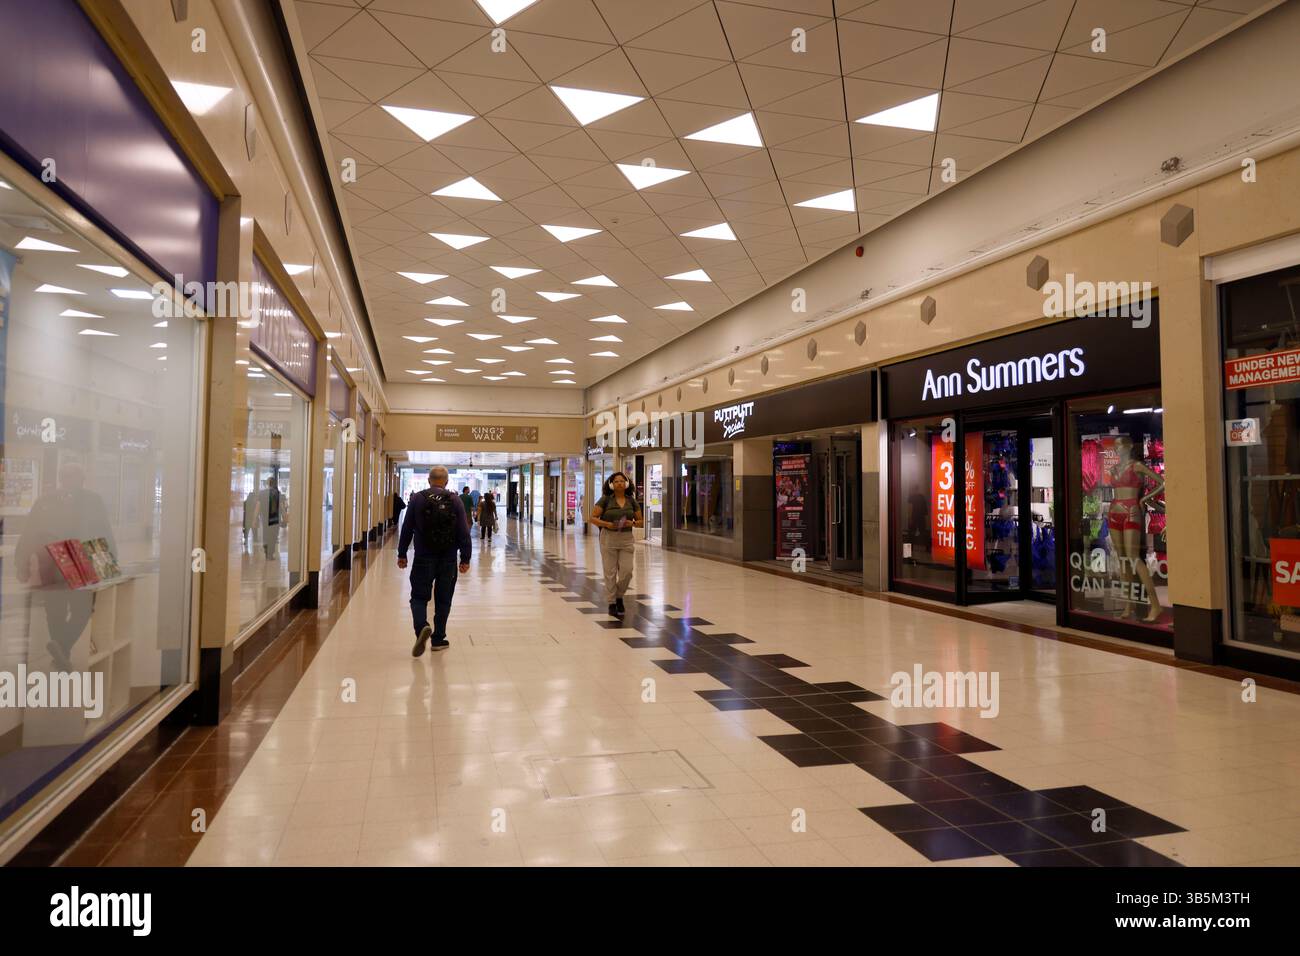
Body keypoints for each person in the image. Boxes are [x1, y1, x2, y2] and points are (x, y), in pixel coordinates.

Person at [14, 461, 116, 671]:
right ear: (63, 479)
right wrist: (21, 562)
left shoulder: (91, 501)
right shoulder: (47, 502)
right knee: (62, 610)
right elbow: (30, 532)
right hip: (58, 559)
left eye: (73, 477)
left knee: (78, 609)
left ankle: (61, 647)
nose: (70, 482)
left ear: (81, 480)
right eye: (67, 477)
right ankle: (62, 653)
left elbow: (103, 530)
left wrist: (109, 562)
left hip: (75, 558)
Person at [399, 465, 471, 656]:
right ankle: (438, 639)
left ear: (428, 480)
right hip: (448, 559)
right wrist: (465, 558)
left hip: (423, 556)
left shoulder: (417, 499)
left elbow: (407, 528)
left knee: (419, 597)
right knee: (443, 599)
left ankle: (422, 626)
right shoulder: (454, 500)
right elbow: (464, 532)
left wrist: (402, 554)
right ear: (446, 482)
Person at [589, 471, 643, 617]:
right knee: (610, 572)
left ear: (626, 484)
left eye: (622, 481)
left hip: (626, 538)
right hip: (608, 537)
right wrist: (607, 523)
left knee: (627, 571)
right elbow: (593, 518)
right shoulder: (605, 500)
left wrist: (631, 522)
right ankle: (612, 602)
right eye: (616, 481)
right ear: (612, 485)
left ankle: (619, 595)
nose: (619, 483)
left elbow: (641, 522)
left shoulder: (632, 501)